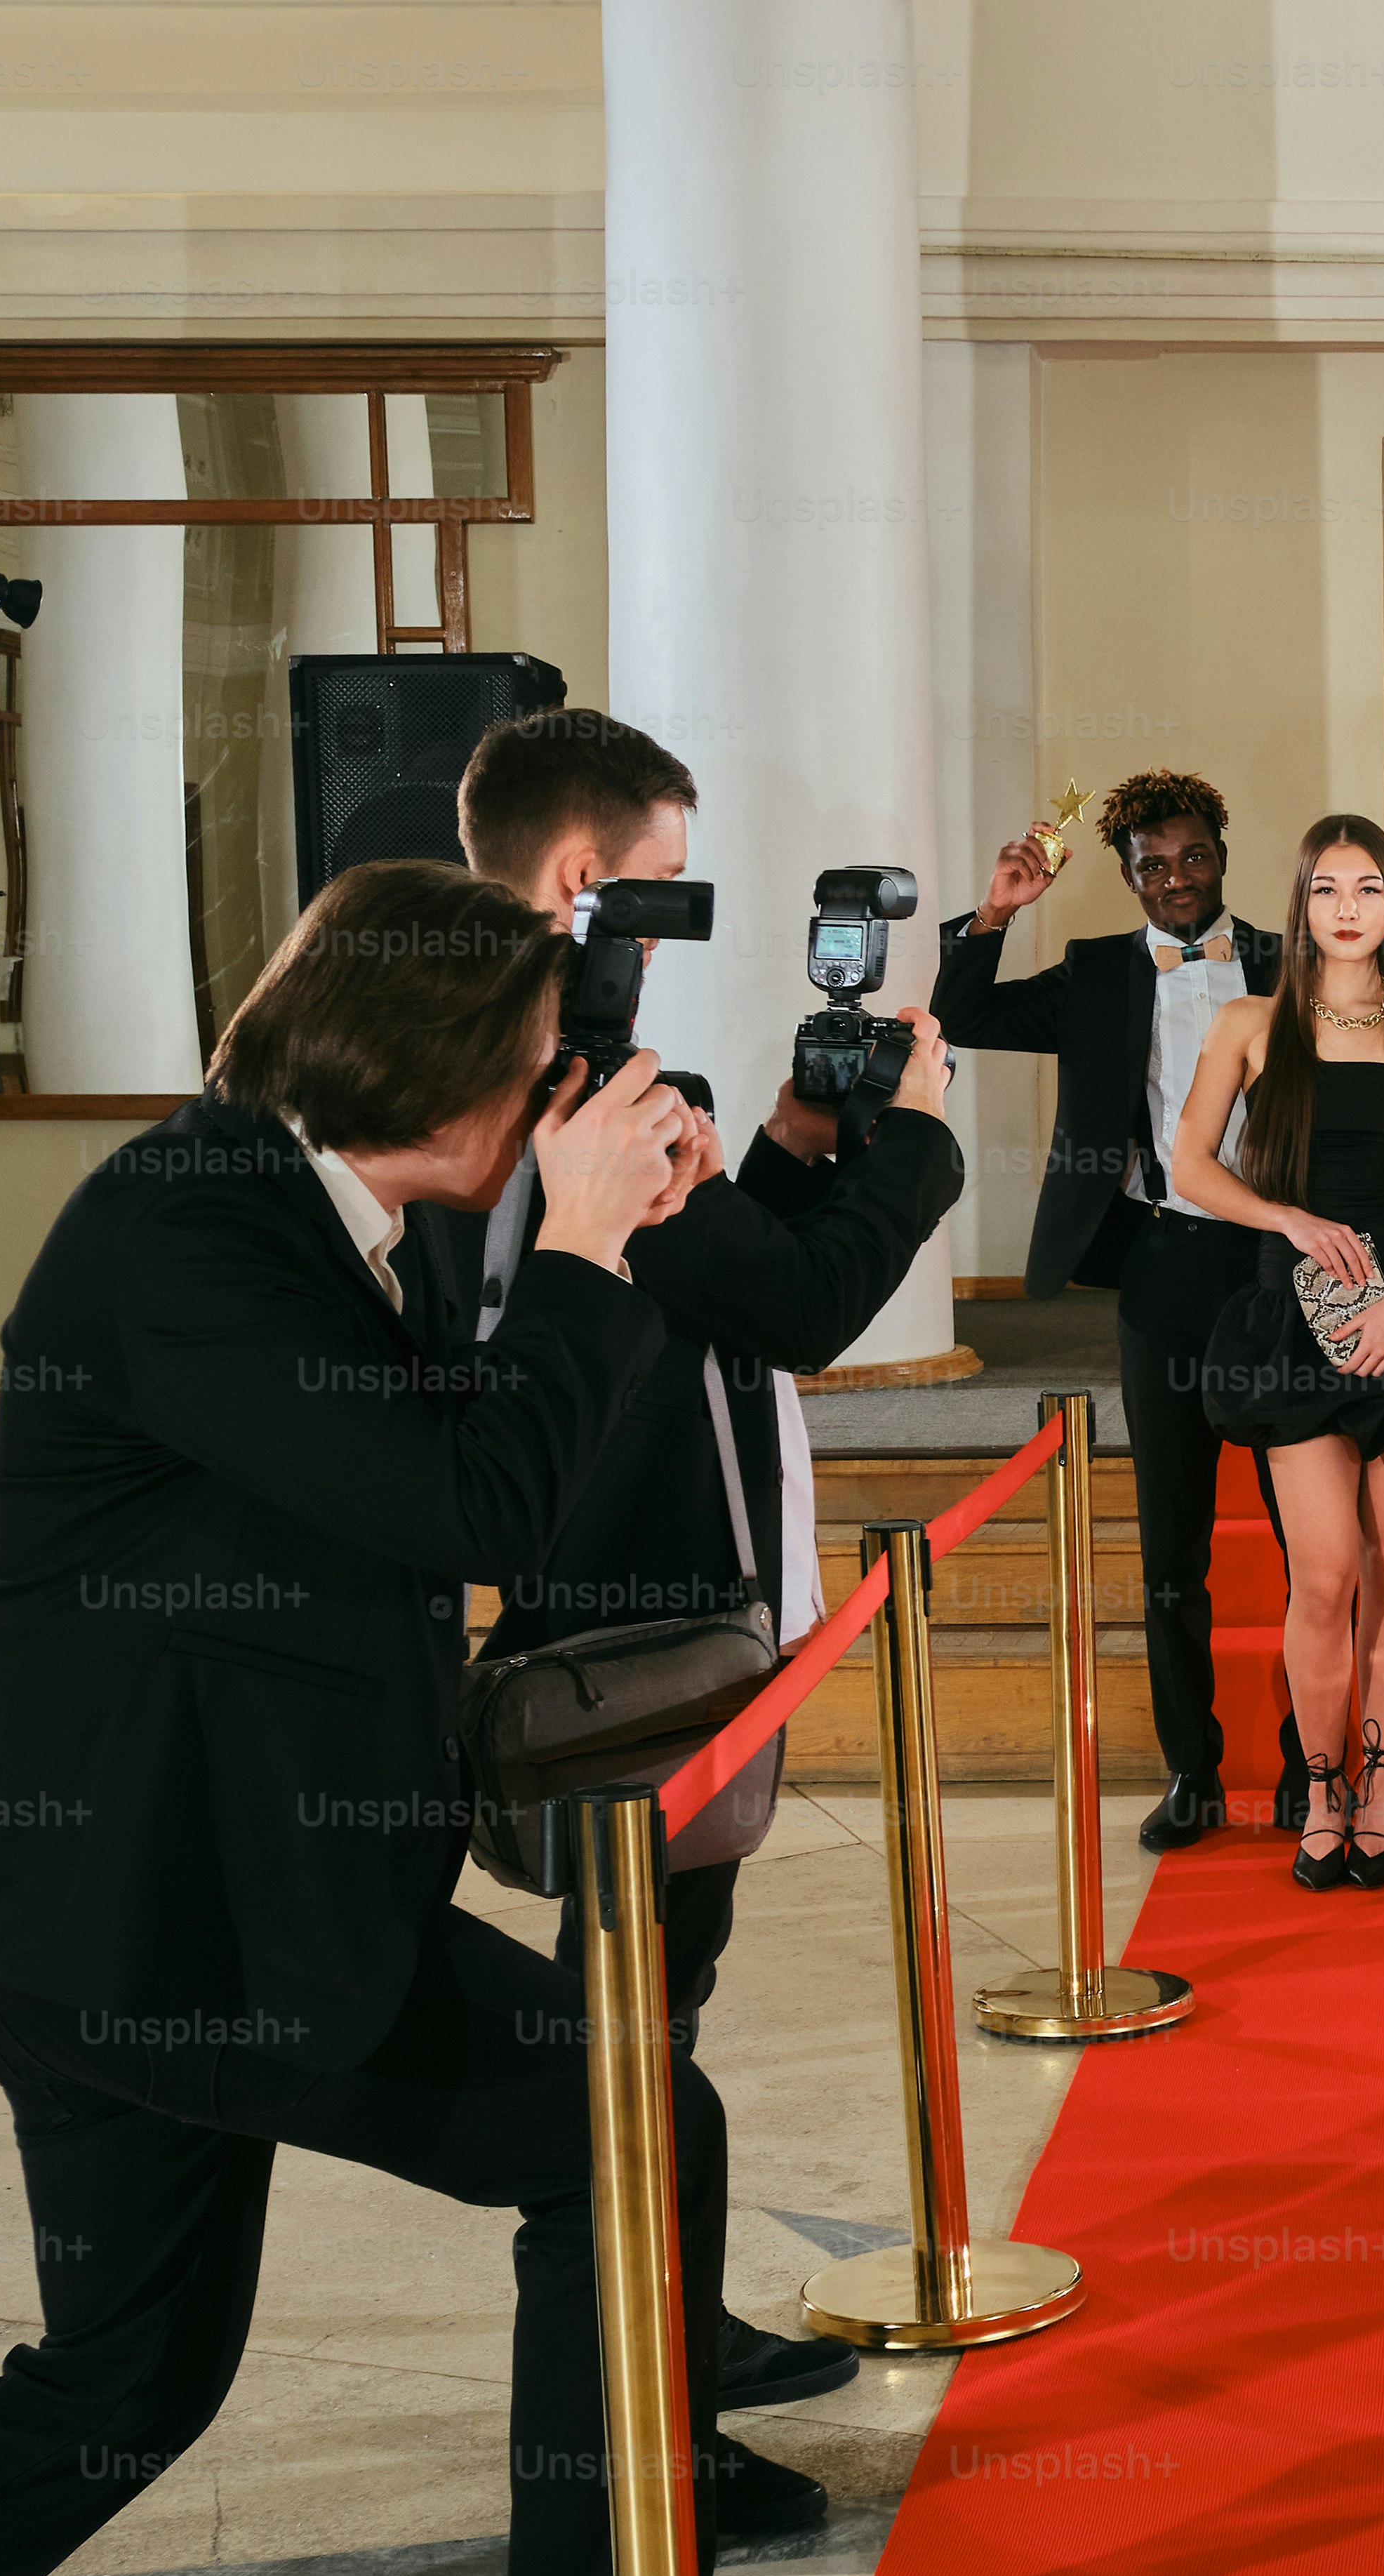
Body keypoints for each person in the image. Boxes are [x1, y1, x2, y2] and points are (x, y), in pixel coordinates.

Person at [0, 865, 816, 2576]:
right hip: (172, 1931)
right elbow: (468, 1493)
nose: (546, 1104)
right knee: (624, 2129)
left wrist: (598, 1232)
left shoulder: (298, 1201)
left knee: (117, 2384)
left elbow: (452, 1435)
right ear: (432, 1082)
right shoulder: (187, 1237)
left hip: (165, 1908)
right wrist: (581, 1248)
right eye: (529, 1073)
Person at [428, 709, 969, 2486]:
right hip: (637, 1613)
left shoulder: (505, 1068)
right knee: (634, 2037)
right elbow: (802, 1311)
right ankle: (648, 2413)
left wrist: (806, 1139)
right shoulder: (580, 1095)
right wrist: (916, 1144)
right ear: (587, 884)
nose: (683, 912)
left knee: (655, 2008)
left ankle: (678, 2327)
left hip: (650, 1579)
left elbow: (725, 1286)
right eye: (667, 882)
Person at [937, 771, 1307, 1850]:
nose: (1176, 881)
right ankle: (1195, 1772)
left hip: (1281, 1269)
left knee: (1307, 1542)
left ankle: (1309, 1768)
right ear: (1128, 875)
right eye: (1153, 866)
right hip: (1163, 1268)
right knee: (1171, 1551)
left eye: (1192, 858)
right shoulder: (1099, 972)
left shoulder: (1297, 962)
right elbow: (963, 1013)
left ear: (1224, 856)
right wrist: (998, 910)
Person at [1173, 816, 1384, 1891]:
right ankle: (1318, 1790)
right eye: (1327, 889)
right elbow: (1190, 1166)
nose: (1349, 907)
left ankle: (1380, 1786)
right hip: (1294, 1319)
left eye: (1368, 887)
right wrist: (1285, 1221)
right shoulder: (1249, 1024)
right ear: (1301, 904)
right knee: (1322, 1577)